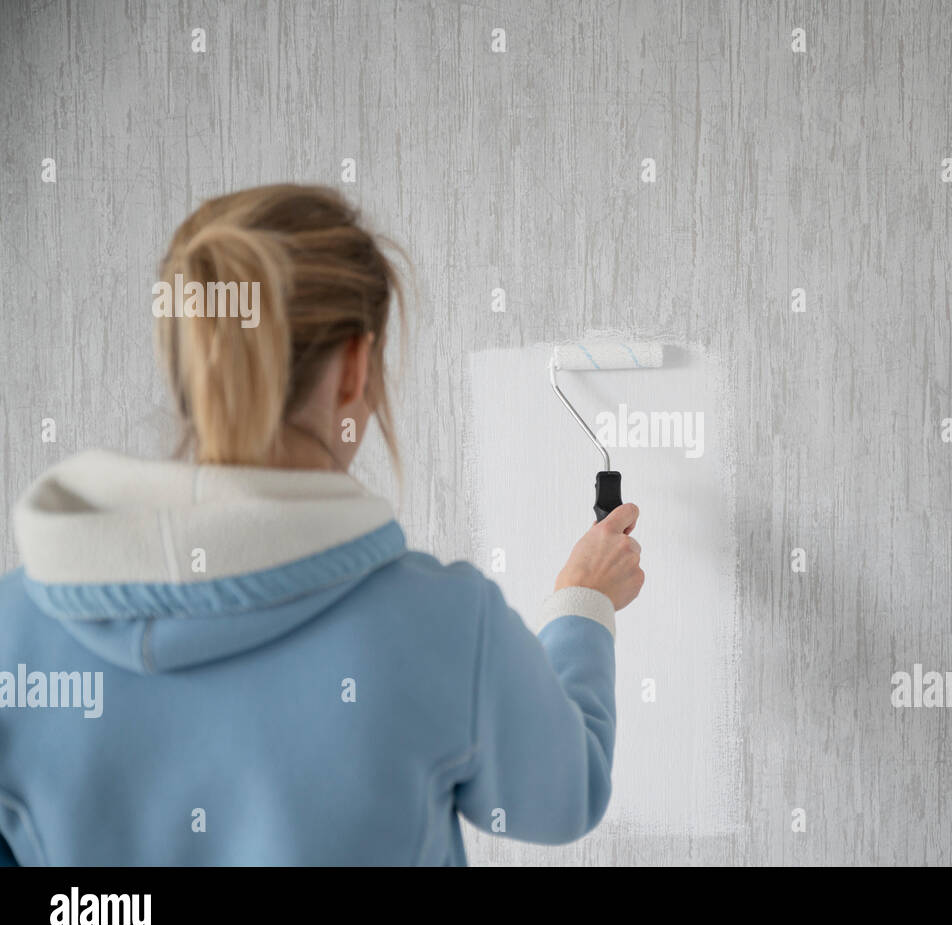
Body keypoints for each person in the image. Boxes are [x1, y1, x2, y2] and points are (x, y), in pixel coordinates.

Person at [0, 184, 644, 865]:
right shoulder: (445, 623)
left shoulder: (14, 629)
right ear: (352, 369)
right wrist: (584, 599)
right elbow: (566, 794)